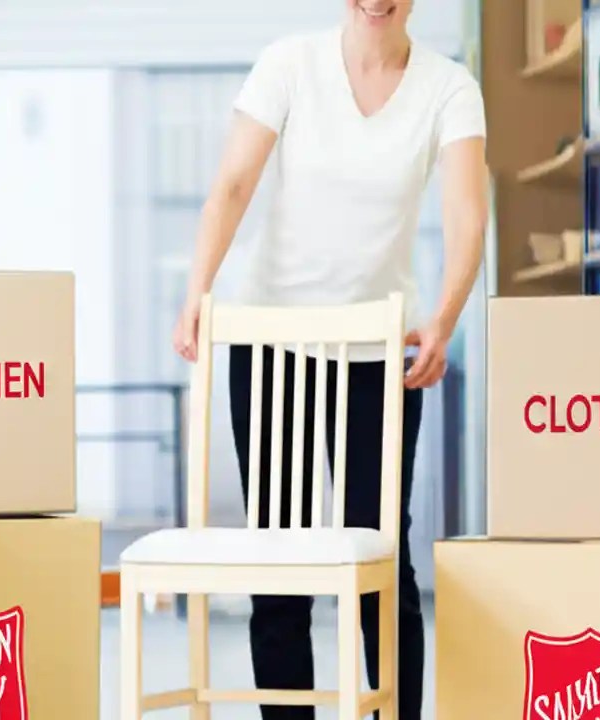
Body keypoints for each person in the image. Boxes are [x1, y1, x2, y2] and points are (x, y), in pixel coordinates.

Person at [170, 1, 488, 718]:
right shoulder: (288, 64)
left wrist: (444, 316)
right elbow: (232, 185)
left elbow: (468, 212)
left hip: (380, 351)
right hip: (273, 343)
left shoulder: (448, 87)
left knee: (380, 554)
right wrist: (199, 289)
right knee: (280, 555)